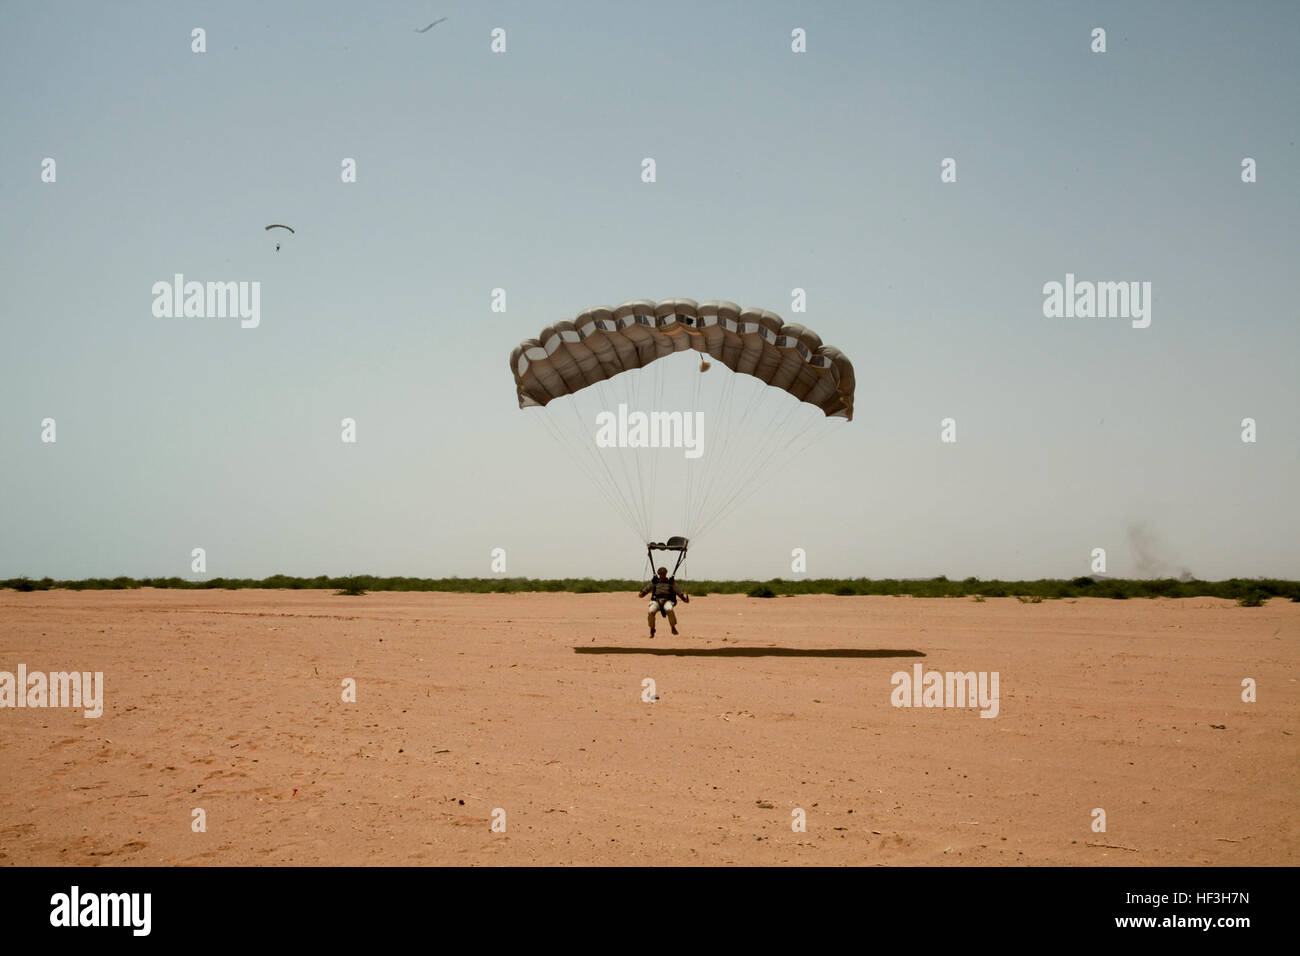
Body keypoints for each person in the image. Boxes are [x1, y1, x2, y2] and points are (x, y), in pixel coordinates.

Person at [639, 566, 688, 637]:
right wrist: (642, 593)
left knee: (669, 609)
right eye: (661, 574)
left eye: (663, 574)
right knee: (651, 611)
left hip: (667, 600)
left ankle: (673, 627)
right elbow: (643, 593)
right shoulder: (655, 582)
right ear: (659, 574)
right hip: (656, 601)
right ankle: (652, 628)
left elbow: (678, 591)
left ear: (666, 574)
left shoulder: (670, 582)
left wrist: (684, 599)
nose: (662, 576)